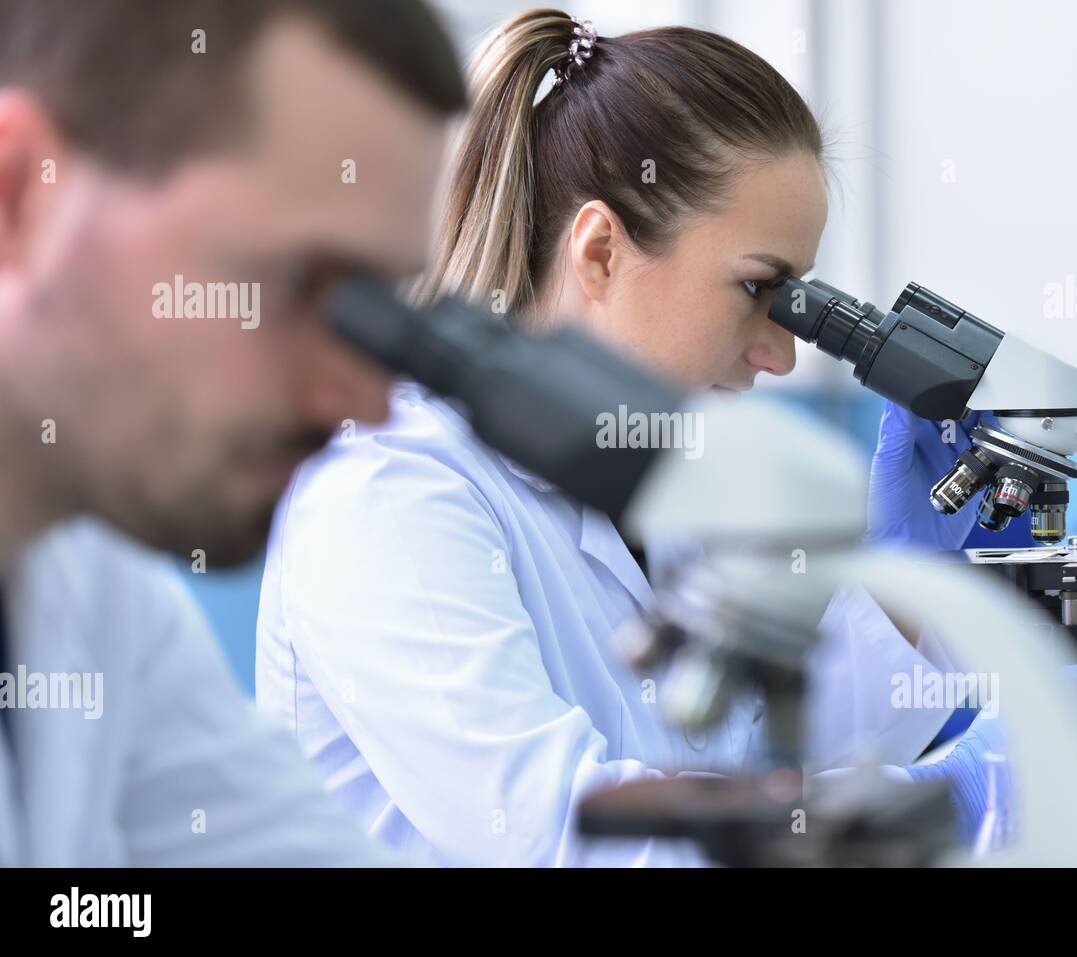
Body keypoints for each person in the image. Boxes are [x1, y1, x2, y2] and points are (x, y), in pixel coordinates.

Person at [257, 8, 971, 866]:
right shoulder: (390, 487)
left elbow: (761, 761)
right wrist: (953, 802)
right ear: (599, 252)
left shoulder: (664, 479)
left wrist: (907, 595)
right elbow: (565, 835)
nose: (781, 352)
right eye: (758, 289)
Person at [0, 0, 466, 864]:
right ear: (22, 193)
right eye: (300, 282)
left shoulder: (94, 579)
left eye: (375, 310)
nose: (366, 402)